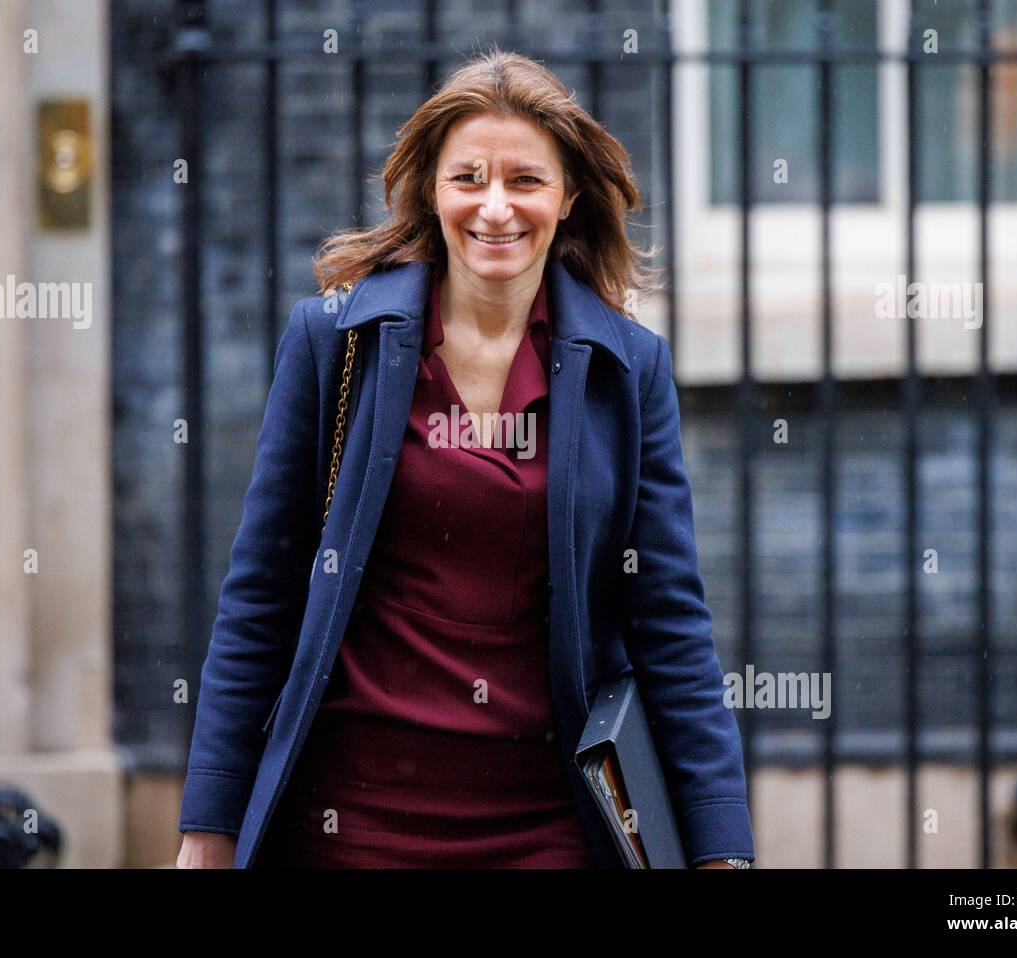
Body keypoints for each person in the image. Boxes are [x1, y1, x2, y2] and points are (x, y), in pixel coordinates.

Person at [177, 46, 753, 870]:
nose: (495, 209)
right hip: (353, 821)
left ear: (568, 196)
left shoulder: (628, 370)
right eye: (468, 178)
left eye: (525, 180)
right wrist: (209, 823)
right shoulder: (337, 344)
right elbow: (261, 596)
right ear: (431, 190)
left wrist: (718, 845)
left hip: (548, 825)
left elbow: (669, 622)